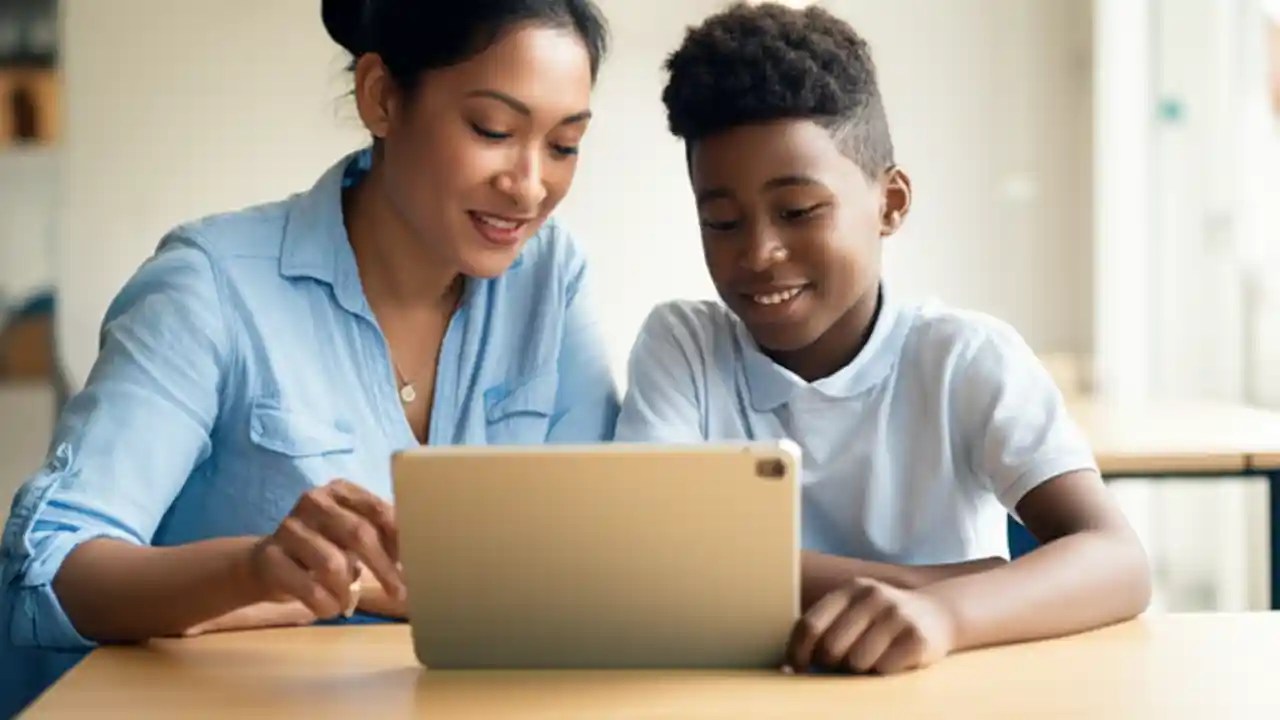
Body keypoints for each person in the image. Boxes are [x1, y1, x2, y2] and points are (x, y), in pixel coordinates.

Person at [0, 0, 615, 711]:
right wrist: (254, 569)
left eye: (564, 145)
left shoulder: (550, 280)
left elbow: (589, 568)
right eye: (493, 130)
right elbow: (46, 573)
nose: (531, 185)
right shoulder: (213, 285)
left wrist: (383, 588)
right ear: (381, 97)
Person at [615, 2, 1150, 675]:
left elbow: (1119, 562)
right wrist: (937, 581)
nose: (759, 251)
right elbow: (645, 565)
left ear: (890, 203)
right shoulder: (684, 346)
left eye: (799, 211)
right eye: (721, 221)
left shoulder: (965, 359)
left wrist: (945, 614)